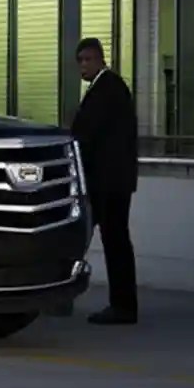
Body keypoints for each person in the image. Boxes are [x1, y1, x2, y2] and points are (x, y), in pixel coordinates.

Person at [70, 37, 139, 325]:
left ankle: (122, 305)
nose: (83, 66)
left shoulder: (107, 89)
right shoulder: (108, 88)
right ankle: (120, 304)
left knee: (112, 240)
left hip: (107, 183)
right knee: (107, 239)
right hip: (110, 181)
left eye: (88, 60)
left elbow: (90, 134)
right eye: (80, 61)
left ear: (100, 60)